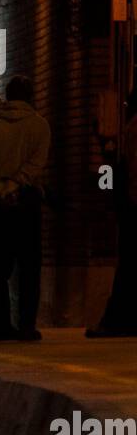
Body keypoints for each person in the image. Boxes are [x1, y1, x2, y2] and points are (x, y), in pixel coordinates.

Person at [0, 75, 50, 342]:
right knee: (28, 266)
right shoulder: (40, 126)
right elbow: (36, 163)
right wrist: (17, 184)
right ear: (30, 96)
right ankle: (26, 326)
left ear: (7, 95)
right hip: (26, 202)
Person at [86, 90, 137, 338]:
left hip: (132, 208)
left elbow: (120, 175)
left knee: (127, 266)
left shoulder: (132, 129)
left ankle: (116, 321)